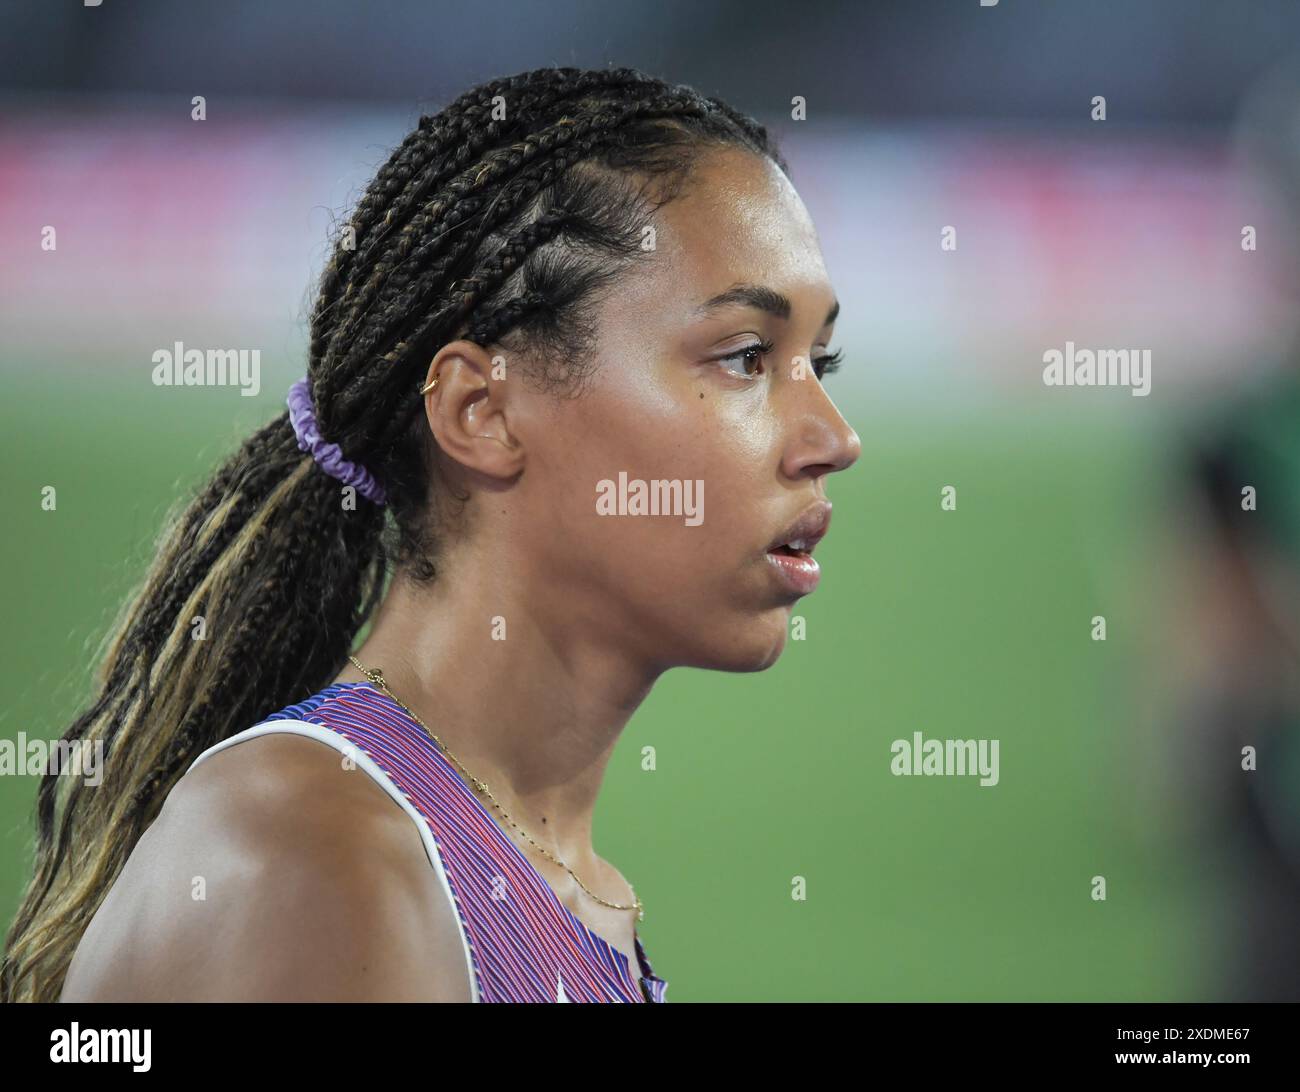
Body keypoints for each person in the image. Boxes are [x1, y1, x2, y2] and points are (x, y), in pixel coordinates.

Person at [2, 65, 860, 1003]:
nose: (834, 439)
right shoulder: (316, 855)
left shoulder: (544, 881)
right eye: (746, 358)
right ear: (480, 411)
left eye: (821, 362)